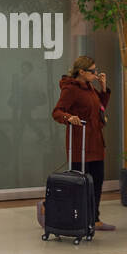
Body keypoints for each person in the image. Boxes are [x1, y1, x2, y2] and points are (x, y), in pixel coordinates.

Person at [46, 54, 115, 231]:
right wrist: (69, 118)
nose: (96, 73)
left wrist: (103, 87)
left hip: (96, 142)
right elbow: (57, 112)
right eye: (93, 71)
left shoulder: (89, 87)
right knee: (79, 184)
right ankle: (68, 215)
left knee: (96, 181)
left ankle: (94, 218)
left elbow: (100, 108)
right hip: (80, 143)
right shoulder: (71, 89)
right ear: (82, 72)